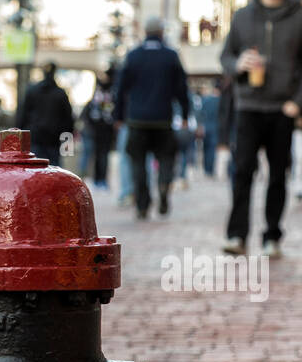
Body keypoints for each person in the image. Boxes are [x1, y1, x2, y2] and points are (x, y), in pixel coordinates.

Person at [220, 0, 302, 257]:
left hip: (282, 109)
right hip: (248, 107)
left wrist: (297, 102)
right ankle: (236, 235)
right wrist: (238, 63)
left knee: (278, 175)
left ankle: (272, 237)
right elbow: (225, 57)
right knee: (242, 173)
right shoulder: (242, 17)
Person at [113, 16, 191, 220]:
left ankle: (142, 204)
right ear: (162, 32)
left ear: (145, 32)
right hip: (163, 119)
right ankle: (164, 184)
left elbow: (120, 90)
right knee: (166, 157)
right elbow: (182, 88)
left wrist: (118, 116)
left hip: (137, 120)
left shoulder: (133, 56)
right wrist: (184, 114)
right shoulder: (171, 56)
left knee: (138, 162)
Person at [17, 62, 74, 167]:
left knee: (34, 169)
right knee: (54, 170)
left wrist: (21, 135)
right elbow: (68, 120)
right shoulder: (60, 94)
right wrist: (67, 139)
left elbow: (22, 116)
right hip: (54, 139)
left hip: (35, 138)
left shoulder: (32, 91)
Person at [80, 72, 116, 189]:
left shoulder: (108, 96)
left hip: (104, 132)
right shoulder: (101, 97)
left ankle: (101, 180)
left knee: (102, 156)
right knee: (97, 156)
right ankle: (97, 180)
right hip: (96, 132)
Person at [199, 81, 222, 177]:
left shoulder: (206, 99)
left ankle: (206, 169)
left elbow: (200, 113)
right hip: (216, 127)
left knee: (205, 148)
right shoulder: (221, 101)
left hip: (205, 127)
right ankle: (210, 170)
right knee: (212, 149)